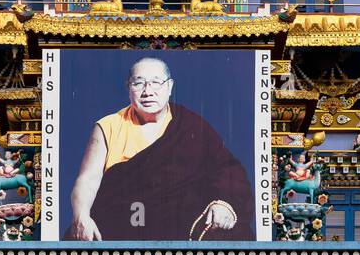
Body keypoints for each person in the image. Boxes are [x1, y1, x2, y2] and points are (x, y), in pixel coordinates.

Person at [68, 57, 253, 242]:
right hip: (121, 227)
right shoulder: (108, 126)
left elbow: (226, 169)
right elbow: (88, 179)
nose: (148, 92)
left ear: (170, 86)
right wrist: (81, 216)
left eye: (156, 83)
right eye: (138, 83)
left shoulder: (191, 126)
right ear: (128, 87)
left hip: (180, 228)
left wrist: (225, 204)